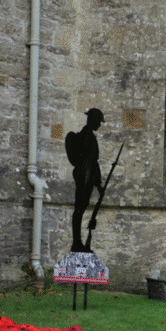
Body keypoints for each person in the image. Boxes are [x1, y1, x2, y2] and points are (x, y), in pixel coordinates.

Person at [65, 108, 105, 252]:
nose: (100, 125)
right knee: (79, 209)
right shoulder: (87, 135)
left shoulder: (88, 135)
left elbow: (93, 162)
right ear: (93, 120)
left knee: (80, 209)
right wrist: (94, 182)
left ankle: (77, 243)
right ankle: (76, 243)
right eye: (99, 122)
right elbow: (89, 162)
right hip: (84, 177)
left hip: (87, 176)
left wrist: (98, 183)